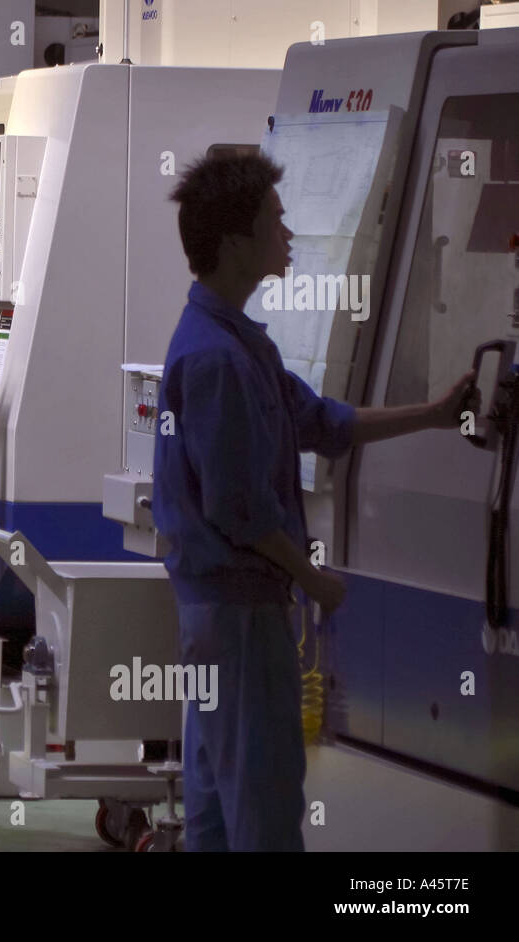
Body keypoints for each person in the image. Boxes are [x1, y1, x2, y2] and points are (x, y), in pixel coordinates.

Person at [153, 152, 477, 851]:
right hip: (240, 619)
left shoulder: (237, 344)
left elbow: (322, 422)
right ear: (235, 243)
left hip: (219, 617)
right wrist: (313, 579)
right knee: (263, 810)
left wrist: (434, 414)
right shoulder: (218, 359)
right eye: (275, 220)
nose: (289, 232)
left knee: (216, 810)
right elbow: (238, 509)